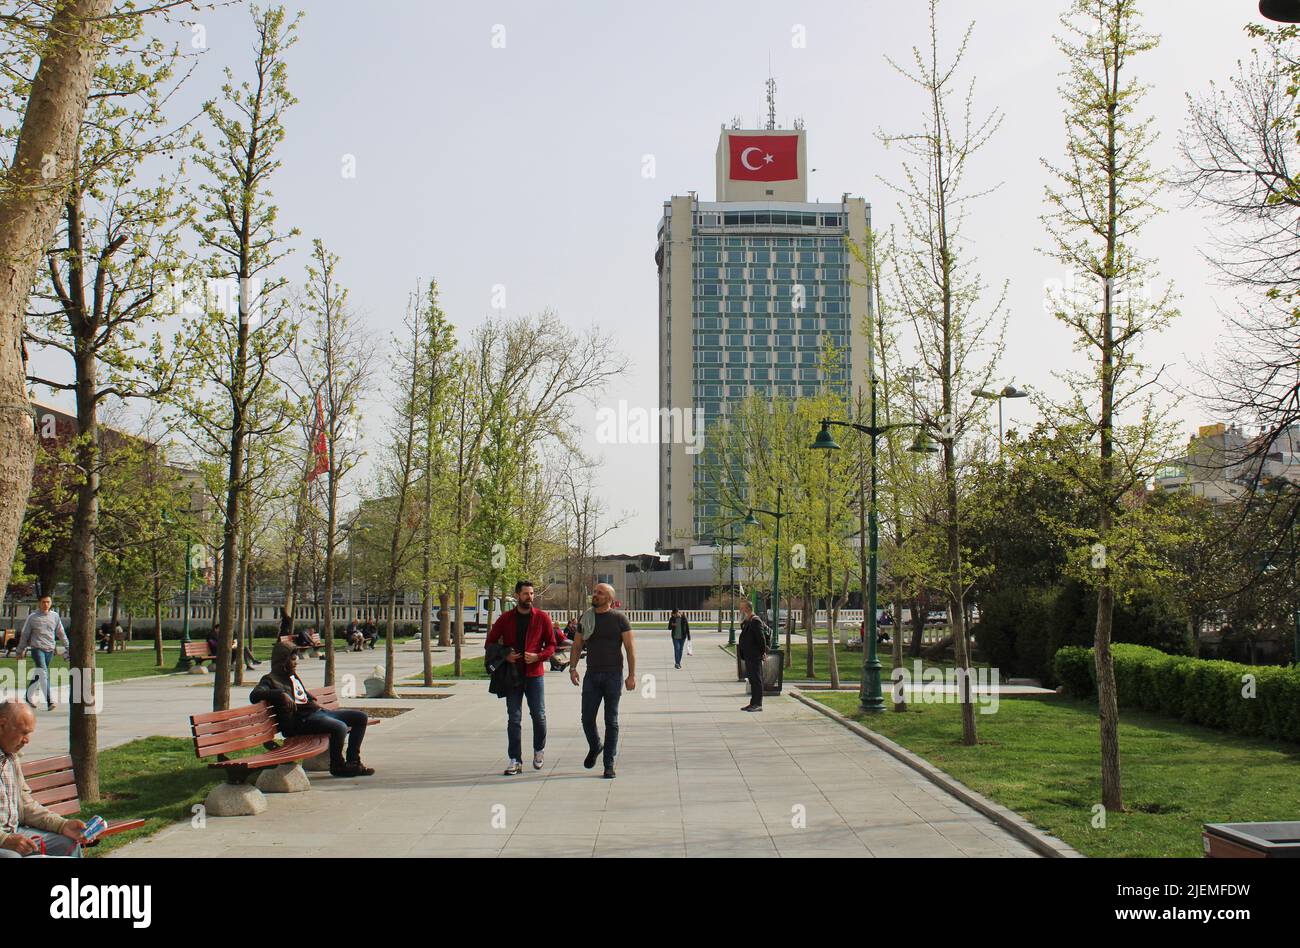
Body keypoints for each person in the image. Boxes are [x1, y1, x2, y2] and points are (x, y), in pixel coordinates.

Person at [250, 643, 374, 777]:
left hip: (317, 714)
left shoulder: (291, 676)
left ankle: (353, 762)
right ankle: (337, 765)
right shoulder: (269, 679)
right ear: (282, 661)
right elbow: (254, 695)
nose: (296, 662)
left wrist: (308, 696)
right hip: (301, 722)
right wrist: (280, 694)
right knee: (340, 727)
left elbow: (299, 694)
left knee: (360, 717)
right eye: (292, 659)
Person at [486, 580, 555, 775]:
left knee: (539, 716)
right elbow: (490, 642)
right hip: (513, 675)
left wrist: (538, 656)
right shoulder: (505, 619)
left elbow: (551, 645)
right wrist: (505, 654)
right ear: (517, 595)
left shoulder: (542, 618)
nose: (530, 597)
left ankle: (539, 750)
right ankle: (515, 759)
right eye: (526, 594)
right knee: (514, 718)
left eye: (532, 594)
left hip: (535, 675)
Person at [0, 701, 87, 857]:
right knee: (11, 856)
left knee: (67, 843)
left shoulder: (10, 757)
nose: (27, 740)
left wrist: (62, 825)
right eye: (23, 732)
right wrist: (4, 839)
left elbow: (26, 805)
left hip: (15, 832)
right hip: (4, 840)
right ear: (2, 724)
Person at [568, 583, 635, 779]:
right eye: (595, 592)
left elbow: (630, 648)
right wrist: (572, 668)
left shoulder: (619, 619)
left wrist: (631, 675)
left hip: (613, 675)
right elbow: (577, 644)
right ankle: (595, 745)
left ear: (609, 598)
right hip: (592, 675)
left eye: (600, 593)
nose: (595, 595)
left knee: (611, 721)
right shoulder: (586, 618)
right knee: (587, 718)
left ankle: (609, 763)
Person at [16, 596, 68, 711]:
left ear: (51, 603)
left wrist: (67, 647)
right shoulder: (32, 617)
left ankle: (28, 697)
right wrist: (20, 651)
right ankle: (50, 701)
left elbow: (61, 633)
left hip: (49, 649)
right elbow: (25, 635)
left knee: (39, 674)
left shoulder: (55, 616)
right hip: (37, 649)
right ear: (39, 603)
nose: (46, 604)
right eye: (43, 602)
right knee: (44, 673)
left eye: (48, 602)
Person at [737, 599, 768, 712]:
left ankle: (758, 703)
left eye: (742, 608)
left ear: (747, 609)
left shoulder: (756, 621)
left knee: (757, 679)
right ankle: (753, 702)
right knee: (752, 680)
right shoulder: (749, 620)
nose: (740, 610)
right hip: (749, 655)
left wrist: (763, 652)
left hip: (754, 655)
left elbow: (761, 638)